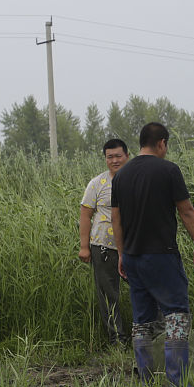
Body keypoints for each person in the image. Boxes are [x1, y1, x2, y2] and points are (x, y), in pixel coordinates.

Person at [111, 122, 194, 387]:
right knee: (176, 315)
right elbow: (186, 211)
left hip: (132, 256)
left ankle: (146, 382)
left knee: (142, 321)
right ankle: (178, 383)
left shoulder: (121, 175)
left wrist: (121, 253)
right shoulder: (168, 170)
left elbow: (115, 219)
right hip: (162, 256)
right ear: (161, 143)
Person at [78, 138, 130, 345]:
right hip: (104, 246)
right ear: (105, 159)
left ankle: (149, 335)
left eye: (118, 156)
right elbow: (85, 215)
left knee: (143, 290)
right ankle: (117, 339)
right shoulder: (97, 183)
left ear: (127, 155)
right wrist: (84, 247)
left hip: (133, 246)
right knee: (109, 295)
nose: (115, 160)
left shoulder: (135, 180)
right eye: (110, 157)